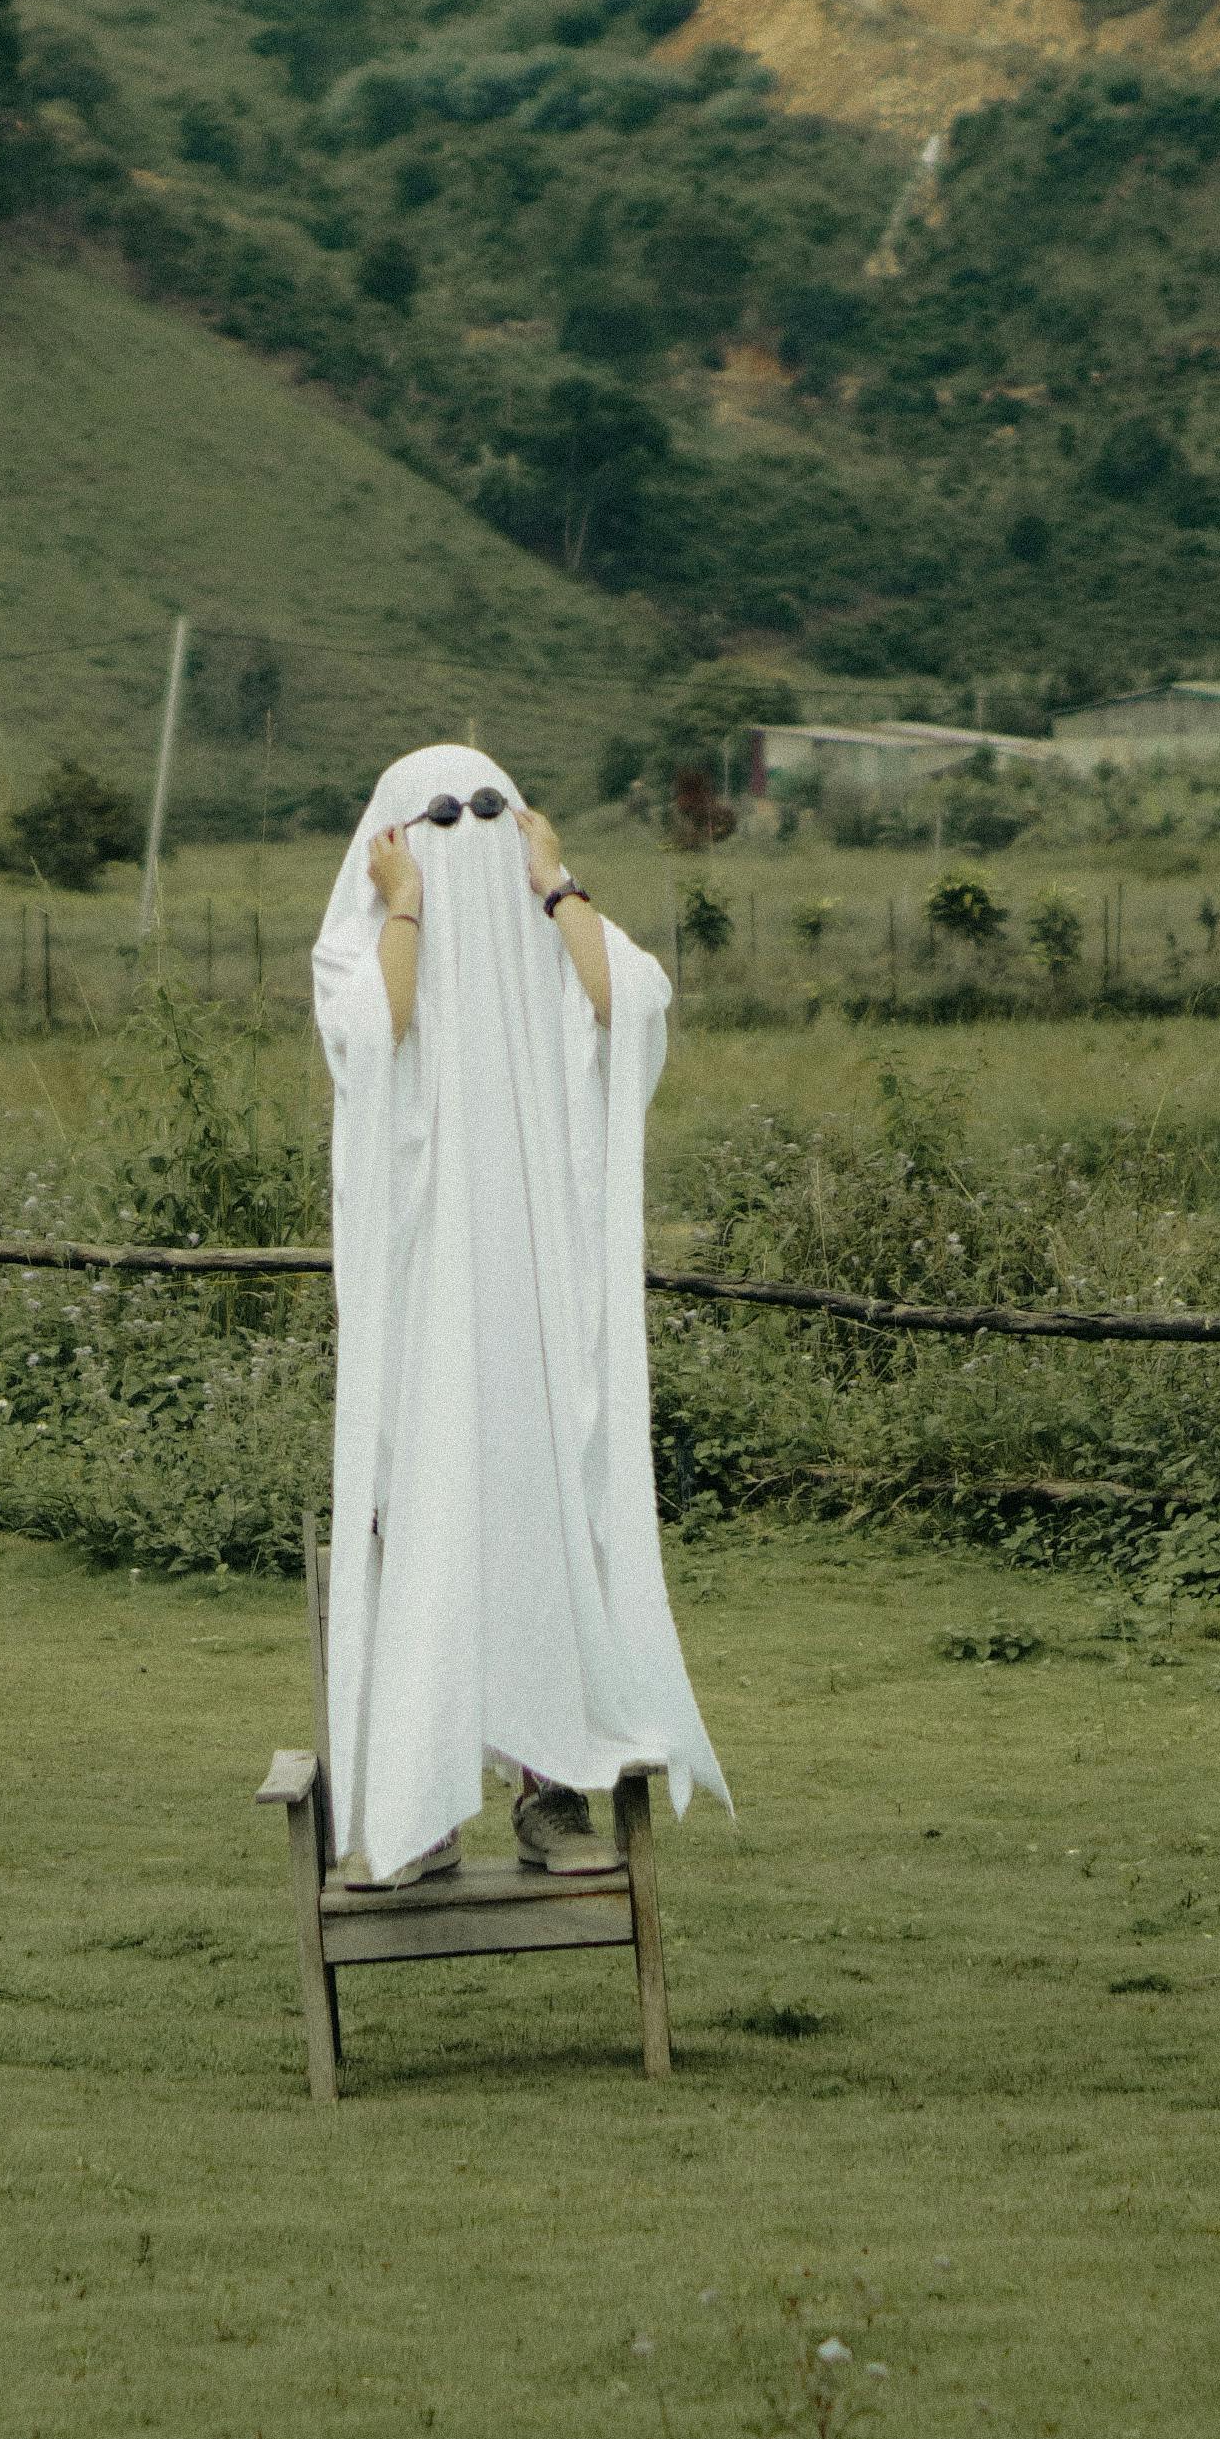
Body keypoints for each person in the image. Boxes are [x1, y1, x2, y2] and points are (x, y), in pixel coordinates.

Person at [306, 741, 724, 1885]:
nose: (468, 830)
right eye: (440, 817)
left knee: (544, 1507)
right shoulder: (362, 944)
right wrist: (407, 909)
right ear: (392, 837)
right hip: (424, 1310)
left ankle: (549, 1789)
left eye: (488, 810)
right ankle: (424, 1795)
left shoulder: (548, 949)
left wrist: (554, 882)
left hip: (533, 1300)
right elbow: (377, 1035)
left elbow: (623, 1001)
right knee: (426, 1518)